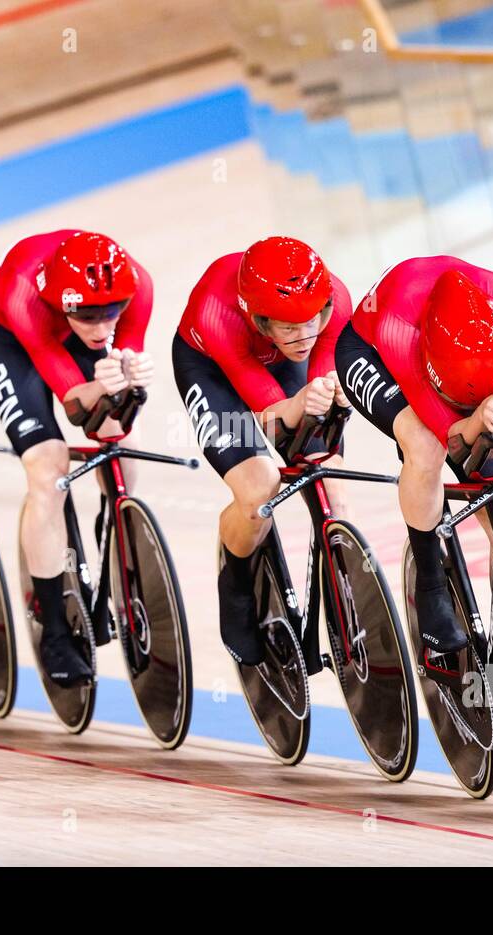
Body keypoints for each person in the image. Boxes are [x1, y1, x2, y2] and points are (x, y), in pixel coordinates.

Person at [335, 256, 493, 672]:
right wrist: (476, 419)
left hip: (465, 368)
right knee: (424, 447)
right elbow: (448, 434)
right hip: (374, 354)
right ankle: (430, 581)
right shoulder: (396, 331)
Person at [0, 230, 153, 687]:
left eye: (111, 314)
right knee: (48, 466)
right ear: (62, 301)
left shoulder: (136, 286)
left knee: (120, 442)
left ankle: (111, 528)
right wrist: (102, 386)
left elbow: (120, 374)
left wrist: (127, 375)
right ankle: (53, 627)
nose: (101, 327)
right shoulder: (24, 299)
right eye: (88, 315)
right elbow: (76, 405)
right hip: (16, 341)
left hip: (65, 330)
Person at [172, 236, 352, 666]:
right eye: (289, 326)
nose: (306, 333)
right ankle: (235, 582)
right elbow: (269, 411)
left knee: (333, 490)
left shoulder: (333, 302)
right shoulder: (220, 313)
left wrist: (330, 394)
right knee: (258, 491)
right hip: (214, 368)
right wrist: (299, 405)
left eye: (312, 320)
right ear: (258, 318)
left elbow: (322, 382)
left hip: (280, 364)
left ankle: (346, 603)